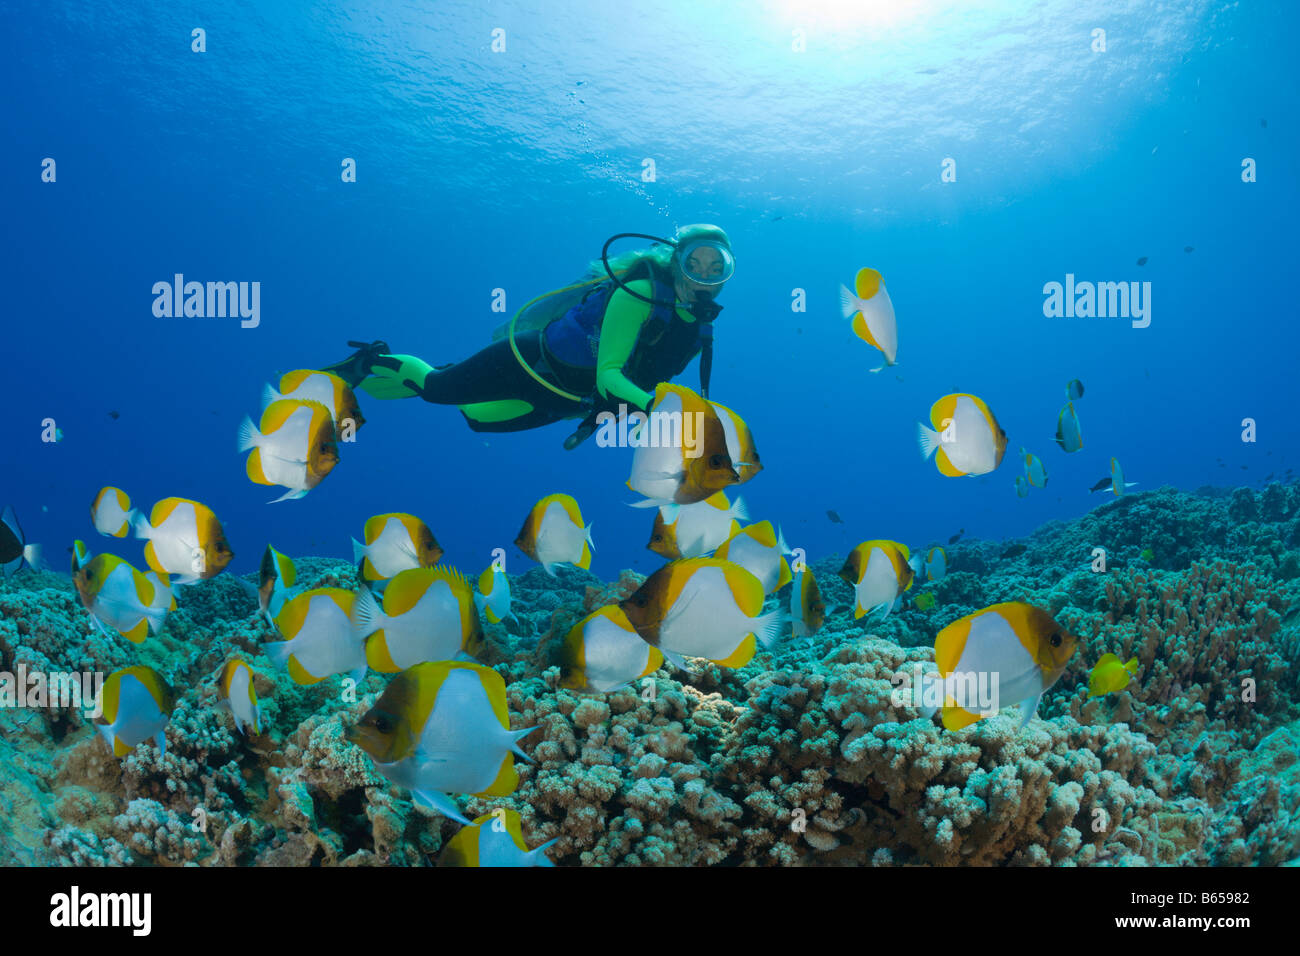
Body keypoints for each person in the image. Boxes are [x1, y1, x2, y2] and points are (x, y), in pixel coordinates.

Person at [323, 224, 735, 449]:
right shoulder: (642, 293)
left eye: (717, 268)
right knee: (435, 389)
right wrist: (660, 410)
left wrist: (643, 416)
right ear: (677, 262)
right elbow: (610, 372)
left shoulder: (698, 329)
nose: (704, 276)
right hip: (529, 362)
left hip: (567, 400)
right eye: (695, 262)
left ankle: (446, 376)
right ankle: (372, 360)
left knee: (475, 420)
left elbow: (643, 378)